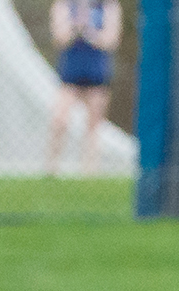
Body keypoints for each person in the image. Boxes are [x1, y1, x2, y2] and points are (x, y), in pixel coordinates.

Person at [44, 0, 122, 175]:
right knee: (59, 120)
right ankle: (51, 169)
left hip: (96, 73)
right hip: (70, 73)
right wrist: (75, 29)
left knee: (93, 126)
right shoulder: (65, 5)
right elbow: (59, 37)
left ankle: (89, 171)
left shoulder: (107, 6)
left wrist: (90, 33)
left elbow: (111, 40)